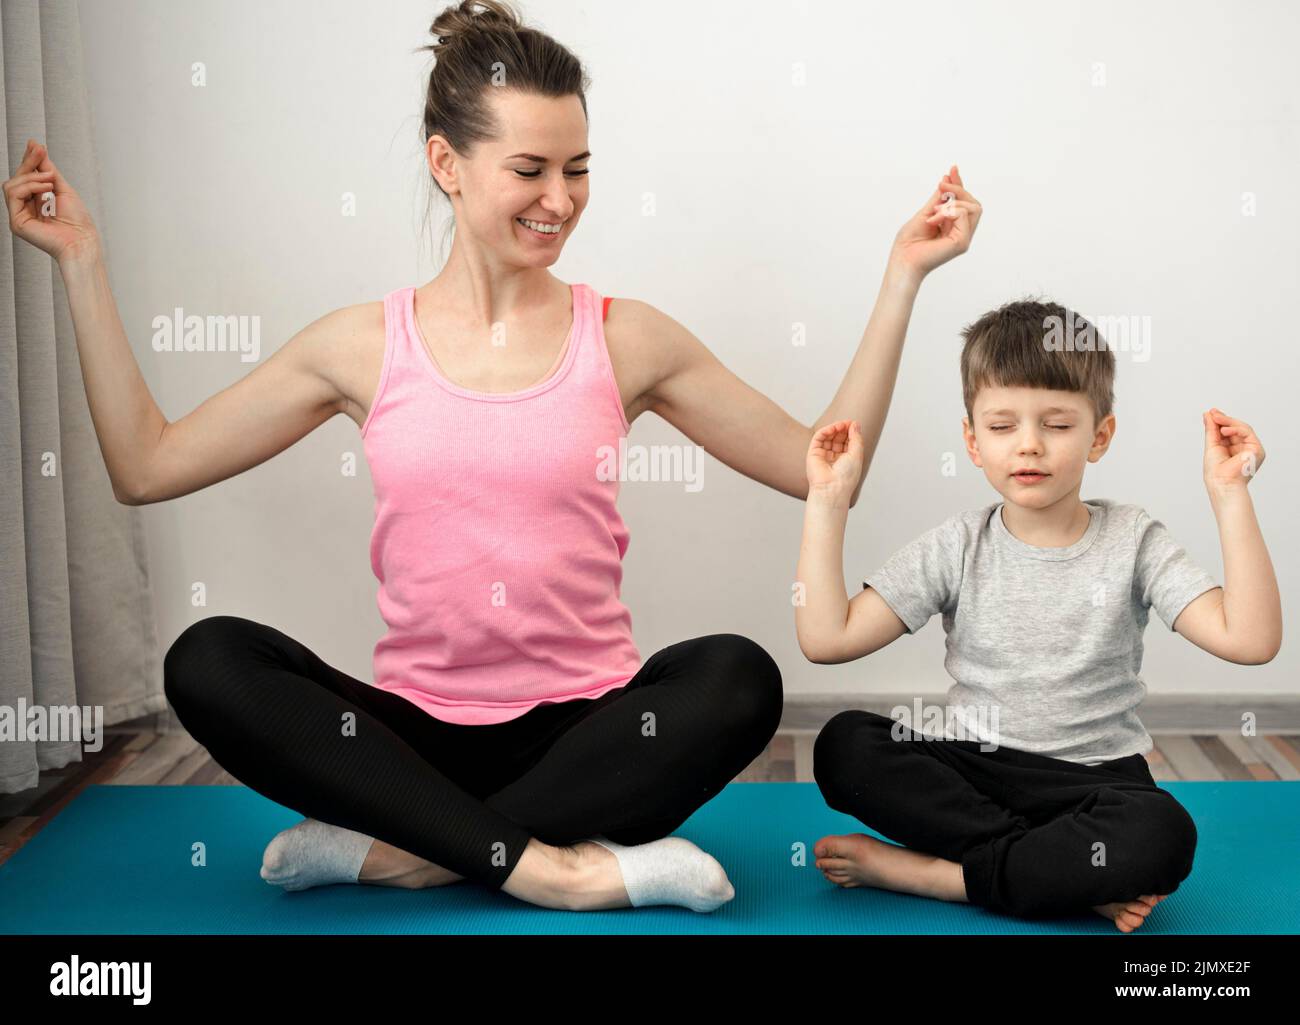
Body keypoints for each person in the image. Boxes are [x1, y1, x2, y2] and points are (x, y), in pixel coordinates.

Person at [3, 0, 979, 912]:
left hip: (589, 736)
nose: (560, 199)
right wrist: (81, 263)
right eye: (530, 169)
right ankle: (559, 868)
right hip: (407, 741)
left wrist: (901, 279)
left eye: (579, 167)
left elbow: (822, 464)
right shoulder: (358, 344)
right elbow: (146, 465)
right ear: (447, 162)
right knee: (208, 658)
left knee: (736, 677)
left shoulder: (625, 336)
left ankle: (412, 853)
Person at [795, 301, 1281, 930]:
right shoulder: (956, 545)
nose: (1028, 444)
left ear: (1099, 436)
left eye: (1055, 424)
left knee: (1163, 834)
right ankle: (1052, 874)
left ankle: (942, 877)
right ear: (972, 441)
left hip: (1096, 785)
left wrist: (1230, 495)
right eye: (1001, 427)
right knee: (844, 745)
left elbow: (1252, 640)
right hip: (975, 769)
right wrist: (827, 501)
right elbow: (826, 638)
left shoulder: (1135, 539)